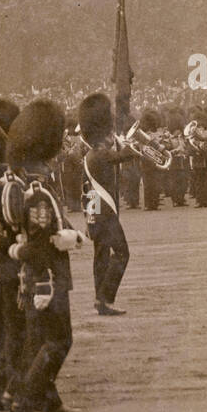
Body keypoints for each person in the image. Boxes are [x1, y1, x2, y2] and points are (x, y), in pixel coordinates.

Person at [6, 99, 82, 412]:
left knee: (38, 341)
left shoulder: (30, 185)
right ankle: (28, 397)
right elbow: (40, 240)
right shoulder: (39, 192)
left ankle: (43, 399)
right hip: (47, 275)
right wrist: (69, 239)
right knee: (59, 340)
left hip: (37, 273)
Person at [78, 93, 134, 316]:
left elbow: (85, 192)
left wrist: (88, 219)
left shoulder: (90, 155)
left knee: (101, 256)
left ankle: (100, 299)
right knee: (122, 253)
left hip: (96, 213)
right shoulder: (100, 154)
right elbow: (125, 155)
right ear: (103, 134)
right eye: (110, 132)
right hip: (106, 215)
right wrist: (131, 145)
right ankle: (106, 297)